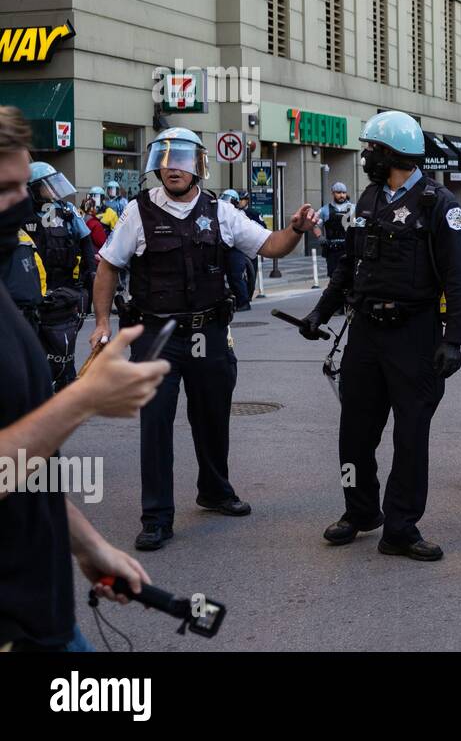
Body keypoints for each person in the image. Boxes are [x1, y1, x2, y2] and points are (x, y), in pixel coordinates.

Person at [93, 127, 318, 552]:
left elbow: (270, 245)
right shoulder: (137, 212)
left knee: (213, 414)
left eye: (181, 158)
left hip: (209, 331)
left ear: (197, 166)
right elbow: (107, 267)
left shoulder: (221, 212)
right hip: (155, 334)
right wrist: (103, 324)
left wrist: (296, 229)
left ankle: (214, 491)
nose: (172, 166)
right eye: (165, 157)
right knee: (156, 421)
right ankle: (156, 516)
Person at [0, 111, 172, 652]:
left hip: (47, 613)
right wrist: (85, 398)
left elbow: (25, 467)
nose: (23, 204)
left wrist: (88, 545)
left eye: (24, 185)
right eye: (6, 190)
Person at [300, 111, 461, 560]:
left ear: (392, 153)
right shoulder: (368, 198)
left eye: (371, 149)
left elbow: (458, 277)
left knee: (410, 436)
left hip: (415, 334)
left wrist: (453, 339)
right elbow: (347, 266)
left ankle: (401, 526)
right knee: (354, 433)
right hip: (366, 334)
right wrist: (320, 313)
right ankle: (359, 512)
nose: (364, 157)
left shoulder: (439, 204)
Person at [26, 162, 97, 392]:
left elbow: (85, 241)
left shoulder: (67, 211)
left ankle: (66, 380)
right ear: (32, 189)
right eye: (46, 187)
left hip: (66, 290)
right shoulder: (20, 215)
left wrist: (91, 277)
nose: (52, 191)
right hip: (34, 291)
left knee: (64, 344)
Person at [314, 182, 355, 279]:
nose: (342, 195)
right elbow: (314, 224)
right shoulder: (324, 210)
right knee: (334, 277)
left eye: (344, 193)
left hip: (349, 248)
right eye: (338, 192)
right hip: (332, 250)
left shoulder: (353, 208)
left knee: (349, 276)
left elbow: (361, 225)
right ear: (333, 193)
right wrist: (320, 236)